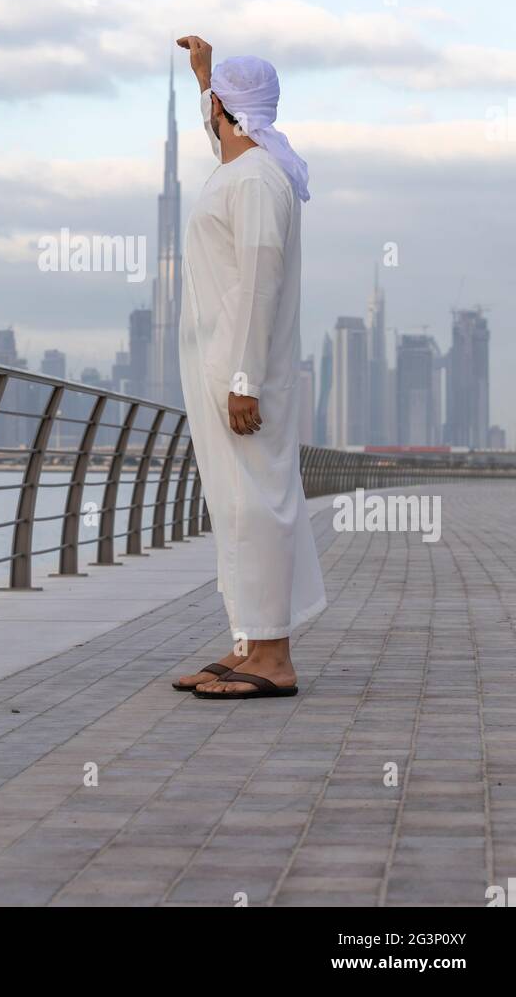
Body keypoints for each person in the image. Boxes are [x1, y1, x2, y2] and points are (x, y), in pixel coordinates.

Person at [172, 36, 325, 699]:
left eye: (214, 102)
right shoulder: (243, 167)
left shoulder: (259, 177)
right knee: (236, 504)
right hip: (221, 368)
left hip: (241, 374)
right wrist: (207, 75)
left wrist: (244, 380)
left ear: (225, 111)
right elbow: (225, 144)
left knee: (258, 505)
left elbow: (261, 277)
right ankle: (250, 641)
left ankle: (273, 656)